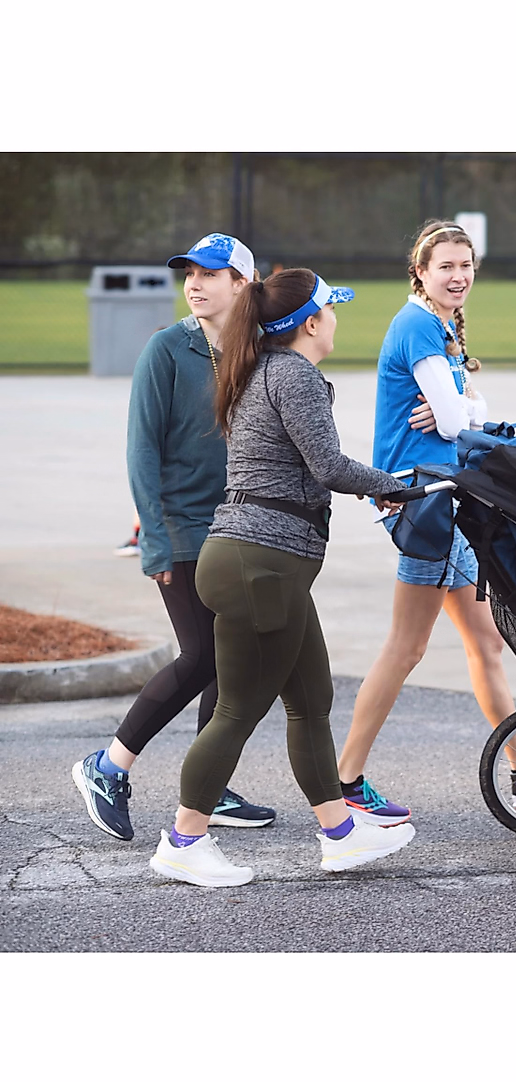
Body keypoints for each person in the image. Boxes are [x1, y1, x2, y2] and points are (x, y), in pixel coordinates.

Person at [148, 268, 418, 888]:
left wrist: (383, 487)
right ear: (311, 323)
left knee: (310, 702)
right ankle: (185, 840)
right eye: (330, 309)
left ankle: (340, 834)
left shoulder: (261, 368)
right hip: (259, 565)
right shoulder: (291, 375)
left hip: (260, 563)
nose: (336, 319)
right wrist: (397, 487)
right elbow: (327, 466)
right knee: (238, 710)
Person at [73, 234, 276, 842]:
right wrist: (155, 539)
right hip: (184, 530)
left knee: (232, 662)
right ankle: (107, 766)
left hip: (237, 528)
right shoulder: (166, 349)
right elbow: (141, 453)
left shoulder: (256, 350)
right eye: (188, 272)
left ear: (242, 283)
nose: (194, 282)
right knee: (205, 655)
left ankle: (206, 788)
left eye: (211, 273)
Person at [335, 219, 516, 820]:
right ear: (420, 271)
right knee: (406, 647)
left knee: (485, 640)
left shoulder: (440, 327)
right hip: (427, 508)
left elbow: (464, 413)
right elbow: (453, 423)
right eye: (446, 265)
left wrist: (466, 410)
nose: (459, 275)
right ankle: (345, 780)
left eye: (466, 264)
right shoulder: (419, 324)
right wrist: (465, 412)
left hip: (446, 503)